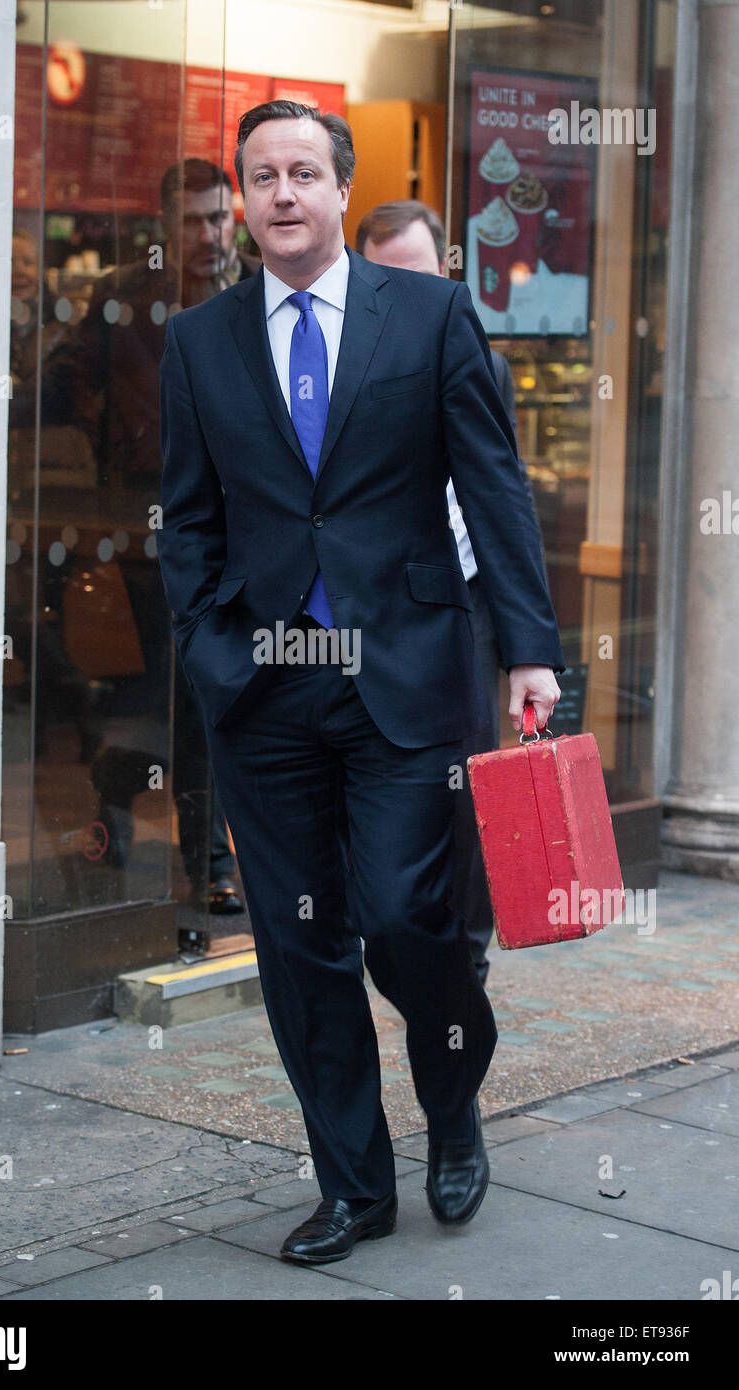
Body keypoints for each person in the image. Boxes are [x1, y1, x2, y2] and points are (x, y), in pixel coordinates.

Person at [156, 101, 563, 1265]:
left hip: (406, 673)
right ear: (244, 201)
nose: (281, 193)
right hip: (267, 685)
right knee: (301, 947)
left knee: (403, 917)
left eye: (303, 174)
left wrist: (528, 647)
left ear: (341, 191)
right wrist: (211, 644)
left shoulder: (430, 314)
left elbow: (495, 488)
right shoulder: (200, 340)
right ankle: (353, 1182)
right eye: (261, 177)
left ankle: (452, 1099)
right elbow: (186, 522)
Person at [13, 161, 257, 914]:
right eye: (191, 219)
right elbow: (66, 384)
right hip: (151, 526)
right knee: (177, 693)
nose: (208, 234)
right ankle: (201, 856)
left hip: (248, 530)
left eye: (219, 217)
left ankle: (136, 804)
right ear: (163, 224)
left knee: (190, 697)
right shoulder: (124, 294)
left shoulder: (263, 285)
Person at [356, 198, 549, 984]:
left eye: (420, 276)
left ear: (447, 276)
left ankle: (463, 962)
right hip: (365, 611)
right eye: (385, 278)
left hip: (461, 607)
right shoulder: (338, 364)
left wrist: (527, 648)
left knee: (470, 788)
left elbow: (501, 499)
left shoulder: (483, 364)